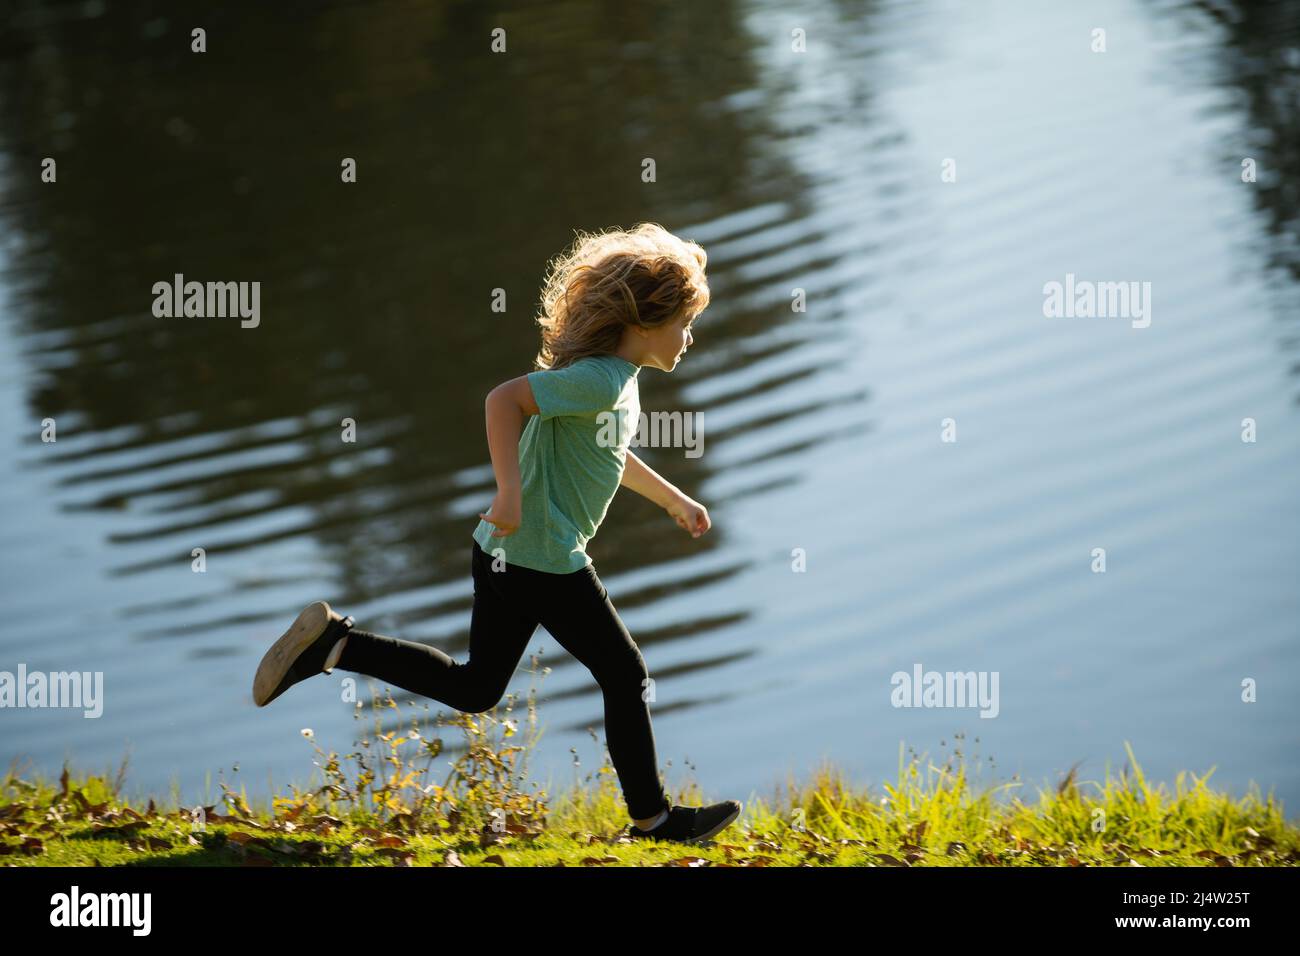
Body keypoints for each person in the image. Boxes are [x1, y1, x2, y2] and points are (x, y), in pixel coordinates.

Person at [252, 222, 741, 844]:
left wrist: (673, 498)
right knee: (626, 675)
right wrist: (509, 492)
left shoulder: (612, 380)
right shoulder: (599, 380)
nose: (690, 337)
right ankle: (656, 819)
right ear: (646, 321)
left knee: (477, 687)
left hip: (502, 556)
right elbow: (502, 400)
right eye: (685, 322)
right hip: (544, 561)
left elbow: (608, 455)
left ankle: (333, 645)